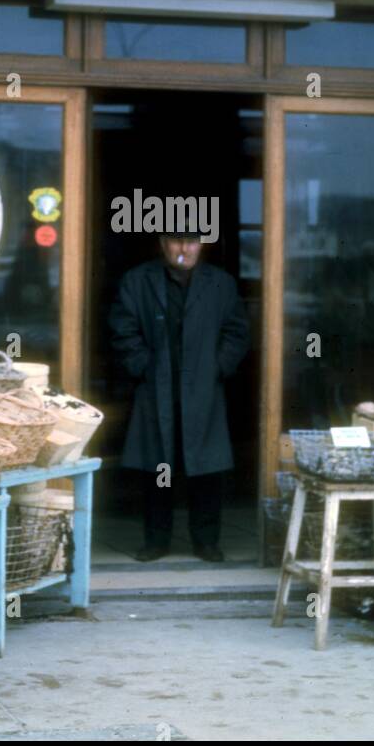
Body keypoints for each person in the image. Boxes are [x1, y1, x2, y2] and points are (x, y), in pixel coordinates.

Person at [108, 231, 250, 562]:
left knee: (206, 468)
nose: (184, 248)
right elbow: (122, 329)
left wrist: (216, 368)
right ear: (163, 244)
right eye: (176, 241)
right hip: (156, 387)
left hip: (203, 389)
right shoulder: (137, 280)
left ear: (203, 245)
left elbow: (237, 332)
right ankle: (156, 541)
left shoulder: (221, 283)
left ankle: (206, 541)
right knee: (158, 465)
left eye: (192, 241)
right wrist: (144, 366)